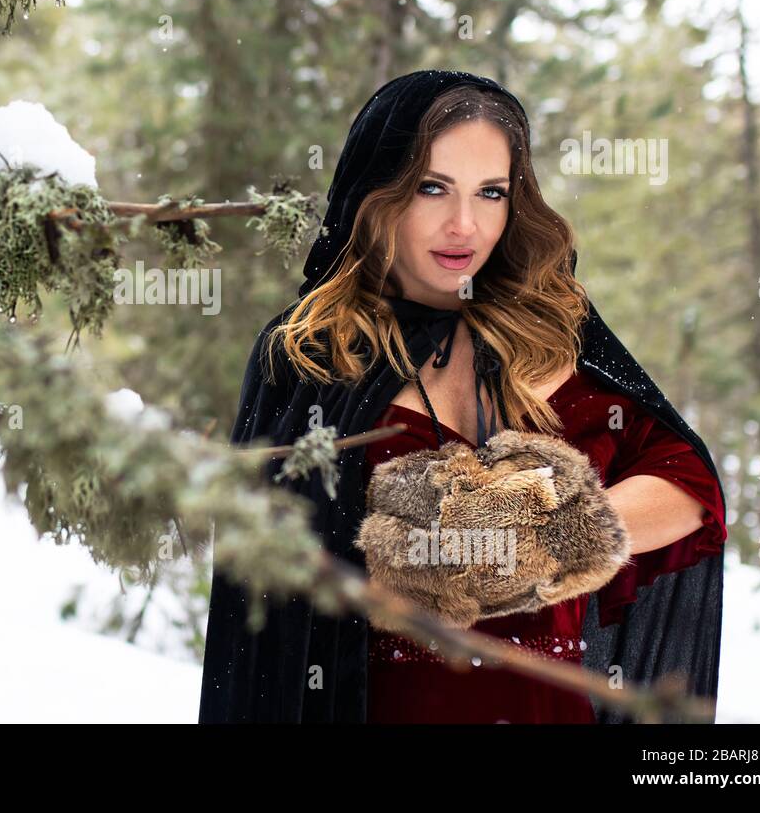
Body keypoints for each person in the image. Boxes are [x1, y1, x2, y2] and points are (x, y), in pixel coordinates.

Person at [199, 69, 728, 723]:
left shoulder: (553, 337)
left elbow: (689, 486)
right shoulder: (306, 353)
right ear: (376, 192)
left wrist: (548, 536)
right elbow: (266, 604)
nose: (463, 224)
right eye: (432, 188)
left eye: (491, 193)